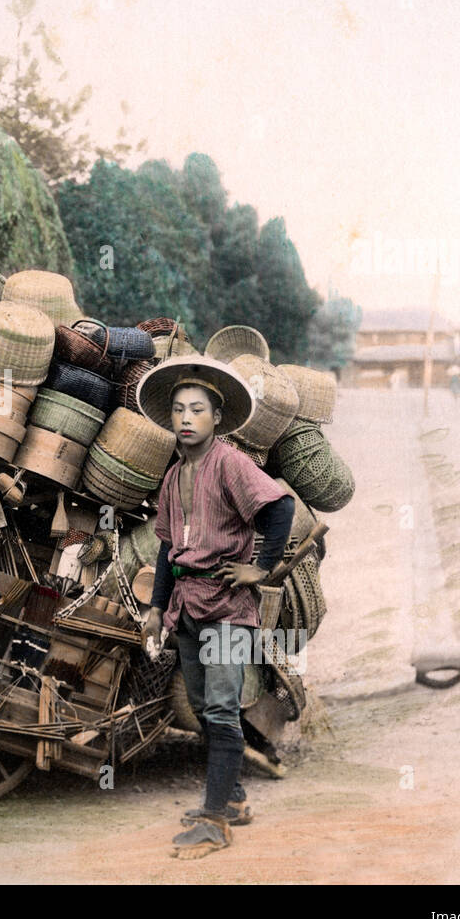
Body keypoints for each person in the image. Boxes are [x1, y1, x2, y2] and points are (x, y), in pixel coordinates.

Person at [134, 356, 294, 860]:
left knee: (221, 709)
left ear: (216, 418)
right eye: (178, 409)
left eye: (197, 410)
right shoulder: (174, 475)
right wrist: (157, 606)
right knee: (203, 708)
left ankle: (214, 822)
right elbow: (166, 548)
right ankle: (234, 798)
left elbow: (281, 506)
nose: (186, 418)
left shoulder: (230, 463)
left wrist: (261, 568)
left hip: (227, 608)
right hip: (186, 607)